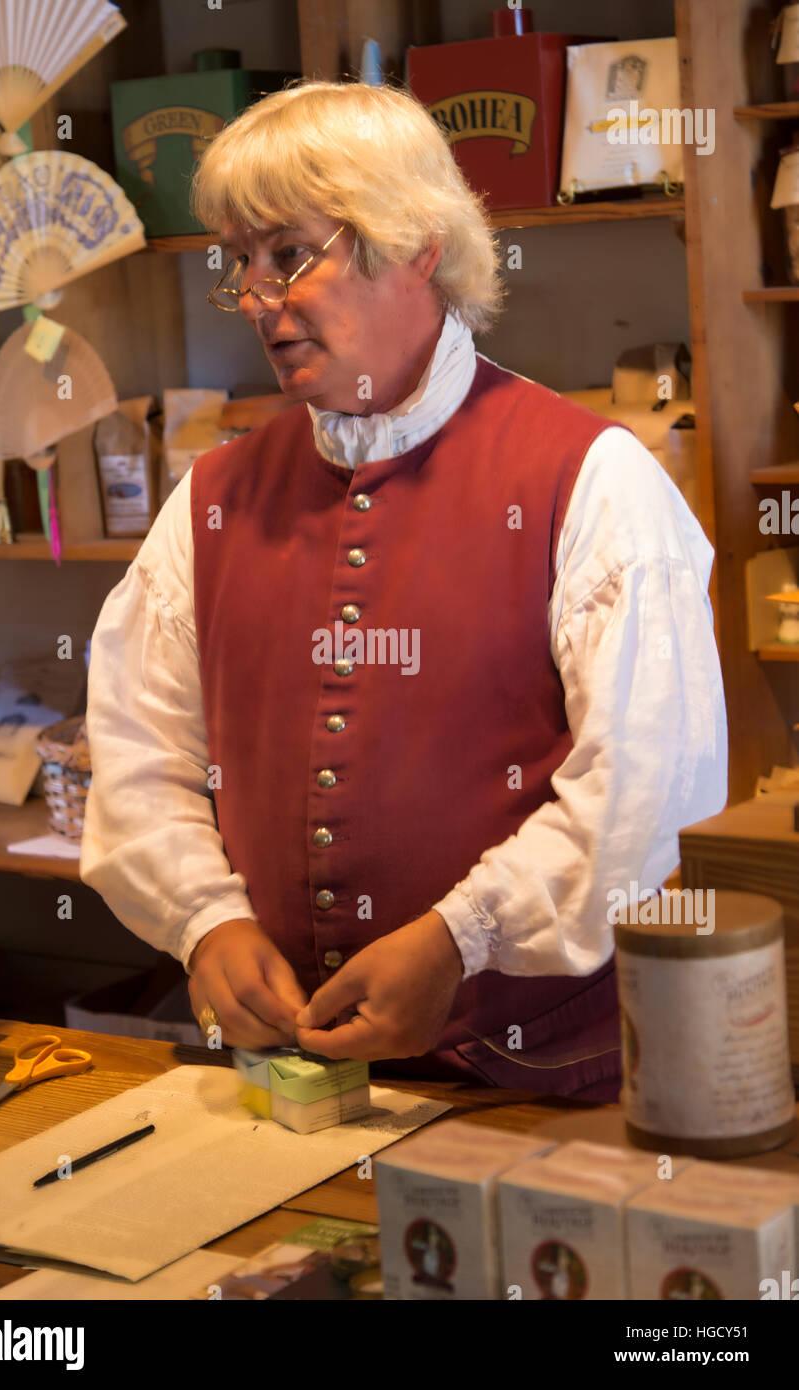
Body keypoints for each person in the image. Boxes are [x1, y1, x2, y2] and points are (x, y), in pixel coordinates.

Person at [80, 81, 727, 1100]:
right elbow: (138, 754)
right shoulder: (210, 498)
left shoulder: (592, 479)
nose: (255, 295)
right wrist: (204, 918)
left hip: (528, 1086)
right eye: (237, 263)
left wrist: (461, 939)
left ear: (415, 243)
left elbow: (641, 801)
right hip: (282, 1087)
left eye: (288, 254)